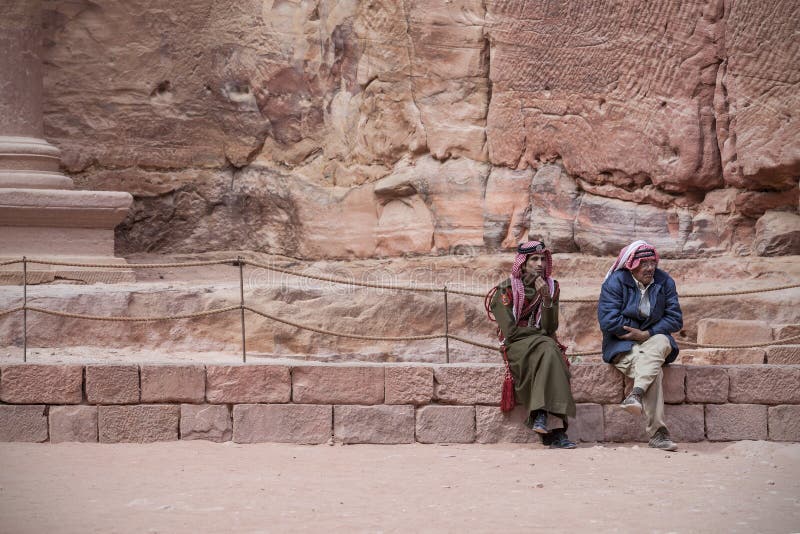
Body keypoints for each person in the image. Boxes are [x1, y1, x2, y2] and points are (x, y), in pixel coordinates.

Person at [486, 240, 577, 449]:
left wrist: (546, 299)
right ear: (523, 263)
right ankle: (557, 432)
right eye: (534, 259)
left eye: (542, 259)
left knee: (552, 355)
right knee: (550, 351)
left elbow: (550, 326)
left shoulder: (552, 288)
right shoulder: (505, 290)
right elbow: (511, 331)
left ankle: (541, 417)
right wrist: (540, 333)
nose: (540, 264)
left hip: (542, 343)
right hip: (516, 345)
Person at [598, 240, 683, 451]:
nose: (650, 268)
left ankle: (635, 394)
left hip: (653, 340)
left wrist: (648, 333)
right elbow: (608, 321)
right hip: (623, 346)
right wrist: (637, 335)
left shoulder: (664, 281)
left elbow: (675, 319)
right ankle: (658, 434)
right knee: (653, 370)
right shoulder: (615, 282)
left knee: (662, 340)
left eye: (652, 262)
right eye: (643, 263)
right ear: (631, 264)